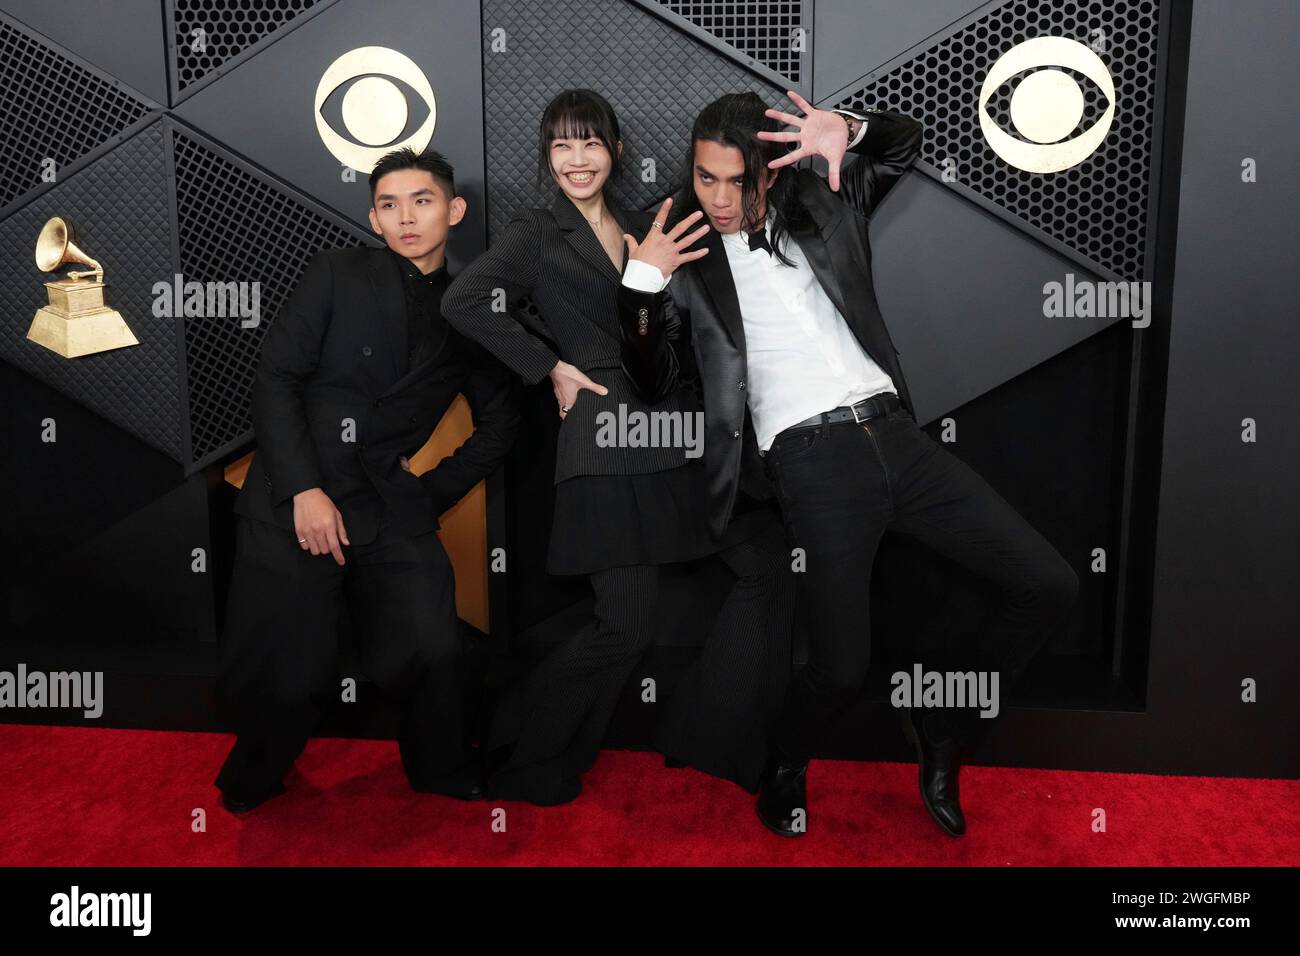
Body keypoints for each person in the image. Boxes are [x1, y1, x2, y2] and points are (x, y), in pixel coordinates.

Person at [619, 90, 1080, 837]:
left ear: (770, 172)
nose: (723, 198)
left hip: (898, 437)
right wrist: (639, 292)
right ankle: (785, 764)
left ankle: (941, 717)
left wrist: (856, 128)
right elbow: (653, 381)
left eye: (740, 181)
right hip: (811, 461)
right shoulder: (679, 251)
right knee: (839, 667)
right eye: (707, 179)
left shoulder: (822, 199)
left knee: (1050, 583)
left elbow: (901, 144)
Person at [441, 89, 794, 806]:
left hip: (677, 434)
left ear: (616, 150)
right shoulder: (536, 232)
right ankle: (524, 752)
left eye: (591, 143)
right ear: (548, 156)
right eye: (562, 146)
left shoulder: (647, 224)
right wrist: (547, 366)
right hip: (607, 445)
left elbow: (673, 327)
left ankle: (706, 731)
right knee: (624, 626)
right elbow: (464, 301)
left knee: (762, 571)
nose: (577, 159)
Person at [214, 147, 520, 813]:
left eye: (422, 201)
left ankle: (440, 767)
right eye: (389, 205)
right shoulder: (335, 273)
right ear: (374, 218)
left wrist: (427, 492)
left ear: (455, 209)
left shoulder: (473, 311)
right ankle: (255, 773)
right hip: (294, 496)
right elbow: (276, 379)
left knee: (436, 646)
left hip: (387, 505)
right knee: (288, 674)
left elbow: (500, 425)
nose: (406, 217)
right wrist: (303, 489)